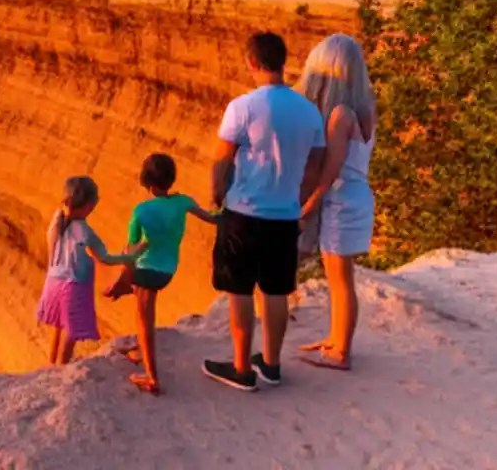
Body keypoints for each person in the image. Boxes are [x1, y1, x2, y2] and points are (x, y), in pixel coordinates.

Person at [203, 32, 326, 392]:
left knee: (239, 289)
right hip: (284, 215)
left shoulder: (243, 106)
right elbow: (314, 167)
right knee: (275, 290)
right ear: (283, 62)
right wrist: (300, 205)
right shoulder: (308, 111)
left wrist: (217, 196)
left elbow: (223, 158)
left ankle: (241, 368)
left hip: (243, 212)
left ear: (251, 62)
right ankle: (271, 366)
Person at [294, 34, 376, 371]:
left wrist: (306, 207)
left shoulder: (340, 115)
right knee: (338, 278)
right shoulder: (364, 109)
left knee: (341, 281)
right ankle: (334, 338)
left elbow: (328, 173)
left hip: (343, 201)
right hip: (353, 198)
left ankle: (340, 351)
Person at [105, 153, 217, 395]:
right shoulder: (183, 201)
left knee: (144, 320)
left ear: (150, 185)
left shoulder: (142, 210)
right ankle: (138, 347)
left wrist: (123, 275)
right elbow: (212, 218)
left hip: (146, 272)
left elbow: (131, 251)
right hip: (168, 270)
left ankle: (152, 378)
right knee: (141, 299)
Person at [37, 176, 145, 365]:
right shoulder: (84, 230)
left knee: (59, 324)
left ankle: (50, 364)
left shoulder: (58, 220)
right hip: (73, 285)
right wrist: (130, 258)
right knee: (71, 330)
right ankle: (60, 368)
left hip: (52, 282)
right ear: (88, 205)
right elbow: (104, 258)